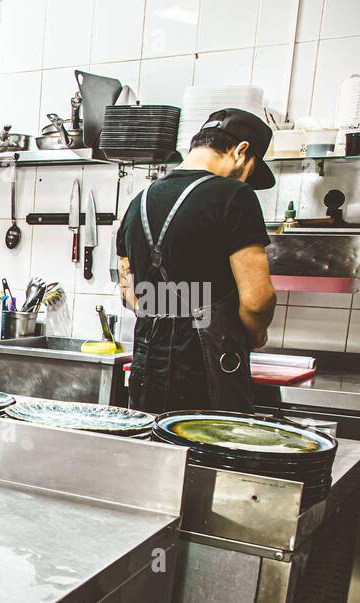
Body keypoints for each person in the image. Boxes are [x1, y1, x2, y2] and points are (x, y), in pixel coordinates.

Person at [116, 108, 278, 413]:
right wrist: (256, 335)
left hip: (146, 369)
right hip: (210, 373)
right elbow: (258, 300)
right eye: (251, 170)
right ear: (241, 151)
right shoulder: (234, 196)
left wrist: (170, 309)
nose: (247, 180)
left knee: (155, 455)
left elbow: (130, 294)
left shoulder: (139, 201)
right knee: (212, 460)